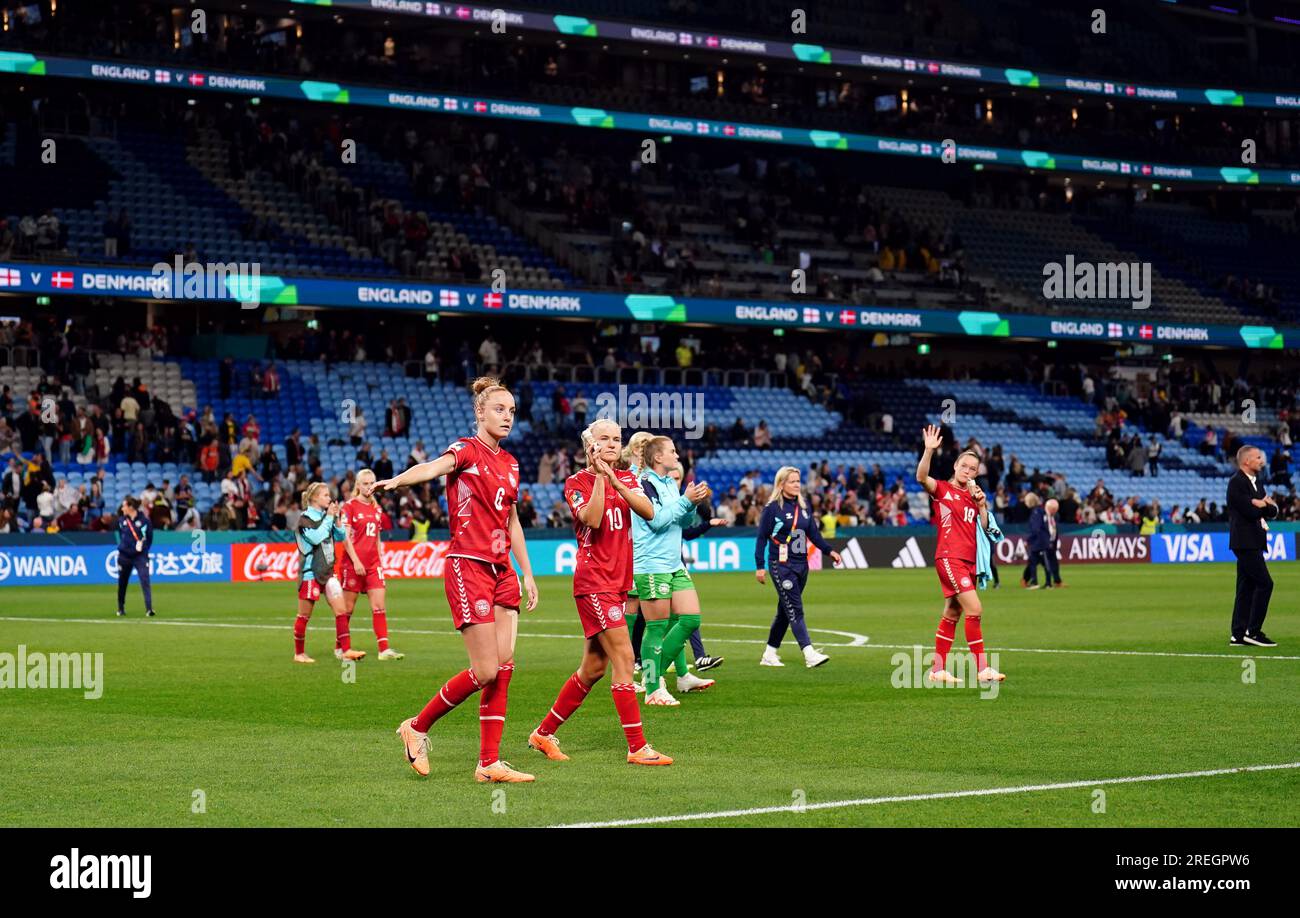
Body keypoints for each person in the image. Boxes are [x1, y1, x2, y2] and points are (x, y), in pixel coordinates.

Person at [381, 377, 540, 783]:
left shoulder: (512, 463)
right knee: (486, 669)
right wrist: (401, 479)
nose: (507, 417)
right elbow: (434, 467)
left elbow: (512, 521)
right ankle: (416, 727)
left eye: (511, 411)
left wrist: (527, 572)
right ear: (479, 413)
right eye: (499, 410)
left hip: (502, 568)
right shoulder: (466, 450)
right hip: (467, 564)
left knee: (504, 666)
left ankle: (488, 764)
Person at [526, 419, 673, 767]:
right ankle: (637, 746)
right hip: (595, 583)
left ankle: (543, 734)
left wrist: (613, 480)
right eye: (604, 438)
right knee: (624, 660)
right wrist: (598, 478)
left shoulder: (627, 478)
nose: (611, 444)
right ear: (589, 444)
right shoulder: (576, 482)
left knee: (592, 669)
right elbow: (591, 519)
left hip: (617, 584)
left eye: (616, 439)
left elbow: (649, 512)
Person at [916, 425, 1005, 684]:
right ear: (955, 466)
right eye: (964, 466)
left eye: (973, 469)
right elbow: (922, 478)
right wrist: (929, 451)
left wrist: (982, 505)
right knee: (975, 608)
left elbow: (988, 527)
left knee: (953, 612)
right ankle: (983, 669)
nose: (968, 471)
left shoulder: (973, 497)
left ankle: (938, 669)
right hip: (949, 557)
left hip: (968, 562)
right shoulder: (943, 490)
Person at [632, 436, 716, 704]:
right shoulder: (643, 484)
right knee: (655, 628)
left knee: (691, 619)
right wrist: (685, 501)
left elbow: (683, 521)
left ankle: (650, 674)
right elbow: (656, 520)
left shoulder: (669, 483)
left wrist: (691, 503)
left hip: (673, 563)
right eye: (672, 451)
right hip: (652, 564)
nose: (677, 455)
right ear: (658, 457)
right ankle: (654, 687)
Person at [754, 466, 842, 668]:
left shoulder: (803, 508)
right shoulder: (772, 509)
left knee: (785, 611)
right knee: (795, 608)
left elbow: (814, 534)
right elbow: (761, 539)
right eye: (792, 481)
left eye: (798, 481)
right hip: (781, 565)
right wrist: (760, 566)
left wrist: (829, 551)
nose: (796, 484)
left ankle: (769, 654)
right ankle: (809, 653)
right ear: (781, 484)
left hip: (802, 565)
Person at [291, 482, 364, 665]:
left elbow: (340, 536)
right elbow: (316, 538)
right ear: (314, 498)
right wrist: (330, 518)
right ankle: (299, 653)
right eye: (325, 495)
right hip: (311, 573)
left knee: (342, 611)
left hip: (328, 572)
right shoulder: (304, 519)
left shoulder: (327, 517)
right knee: (304, 616)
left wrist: (337, 519)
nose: (329, 498)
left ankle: (346, 650)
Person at [339, 468, 403, 661]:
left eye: (371, 483)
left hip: (373, 565)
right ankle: (341, 647)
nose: (368, 487)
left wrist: (380, 559)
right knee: (347, 609)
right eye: (365, 483)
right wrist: (356, 561)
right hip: (352, 565)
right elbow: (345, 537)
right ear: (358, 485)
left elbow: (376, 537)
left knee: (379, 606)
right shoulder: (349, 507)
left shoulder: (377, 508)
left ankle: (384, 649)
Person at [1227, 446, 1279, 647]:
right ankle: (1253, 631)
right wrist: (1261, 505)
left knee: (1245, 587)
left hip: (1254, 540)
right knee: (1265, 583)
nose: (1262, 460)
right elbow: (1249, 511)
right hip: (1244, 541)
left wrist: (1262, 504)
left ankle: (1238, 634)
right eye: (1258, 457)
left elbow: (1273, 510)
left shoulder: (1257, 483)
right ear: (1246, 461)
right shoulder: (1236, 483)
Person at [115, 496, 155, 617]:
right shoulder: (122, 521)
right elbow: (121, 534)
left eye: (124, 506)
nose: (122, 508)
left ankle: (149, 609)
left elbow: (149, 537)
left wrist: (143, 549)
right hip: (124, 556)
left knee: (145, 580)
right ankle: (120, 608)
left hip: (140, 556)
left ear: (130, 507)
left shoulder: (144, 521)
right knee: (123, 582)